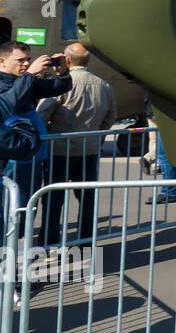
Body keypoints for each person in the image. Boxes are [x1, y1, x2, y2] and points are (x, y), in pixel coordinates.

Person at [36, 42, 117, 245]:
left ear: (67, 60)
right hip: (89, 149)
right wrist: (97, 138)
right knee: (87, 198)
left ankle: (49, 239)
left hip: (60, 148)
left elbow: (43, 114)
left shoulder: (62, 85)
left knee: (53, 198)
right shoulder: (104, 85)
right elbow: (110, 118)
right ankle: (85, 240)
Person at [0, 41, 72, 224]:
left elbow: (58, 87)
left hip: (33, 154)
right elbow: (10, 102)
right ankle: (10, 244)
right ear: (2, 61)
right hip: (13, 156)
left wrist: (62, 72)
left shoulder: (24, 79)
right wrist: (30, 73)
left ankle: (20, 240)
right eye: (20, 60)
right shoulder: (10, 82)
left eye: (28, 60)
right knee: (12, 204)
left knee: (28, 202)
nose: (25, 64)